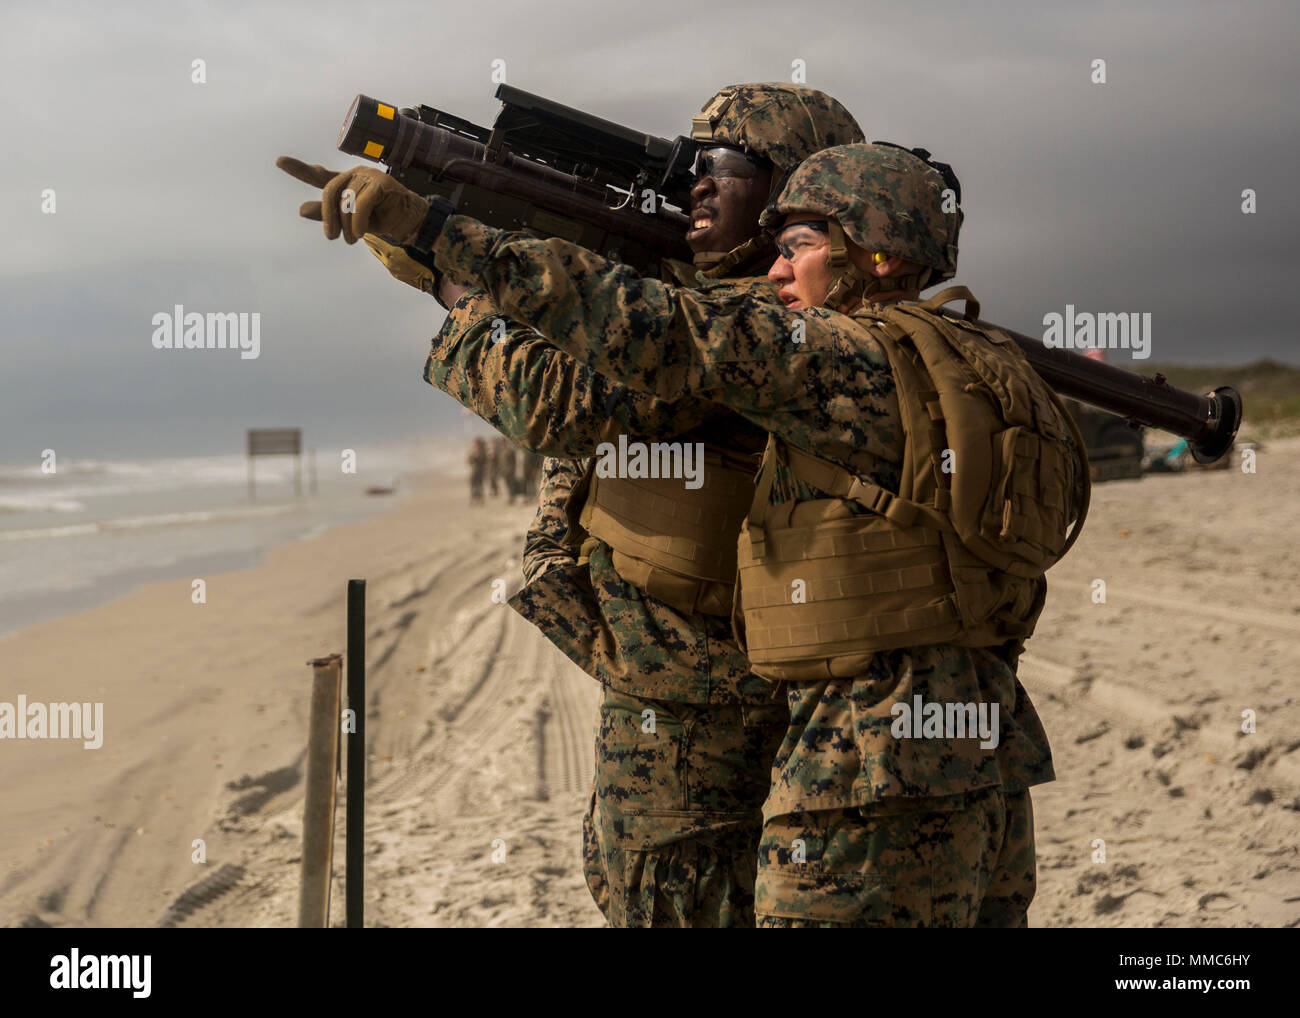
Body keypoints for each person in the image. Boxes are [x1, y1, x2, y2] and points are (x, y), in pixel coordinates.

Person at [345, 141, 1089, 927]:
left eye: (798, 247)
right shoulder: (991, 365)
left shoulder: (838, 358)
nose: (774, 270)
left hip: (868, 769)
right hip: (989, 756)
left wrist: (443, 236)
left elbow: (652, 329)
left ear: (874, 253)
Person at [277, 84, 865, 927]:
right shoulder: (717, 302)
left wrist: (452, 278)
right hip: (689, 673)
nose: (691, 185)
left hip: (710, 685)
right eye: (687, 166)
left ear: (795, 193)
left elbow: (564, 405)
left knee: (674, 892)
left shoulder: (757, 321)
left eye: (721, 168)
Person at [467, 437, 488, 503]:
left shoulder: (483, 451)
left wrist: (478, 456)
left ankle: (480, 499)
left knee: (480, 485)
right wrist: (473, 456)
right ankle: (473, 499)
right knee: (473, 486)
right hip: (473, 471)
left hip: (480, 471)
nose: (477, 445)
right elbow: (468, 461)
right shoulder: (472, 451)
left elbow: (484, 461)